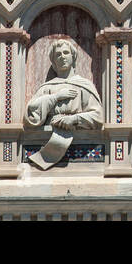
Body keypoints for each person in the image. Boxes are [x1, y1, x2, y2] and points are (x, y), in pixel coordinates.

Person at [24, 38, 103, 169]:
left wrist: (73, 119)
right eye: (58, 54)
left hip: (84, 153)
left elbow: (98, 116)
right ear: (54, 61)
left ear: (73, 57)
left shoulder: (84, 86)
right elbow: (31, 114)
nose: (62, 57)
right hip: (46, 142)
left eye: (66, 53)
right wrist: (55, 97)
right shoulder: (46, 88)